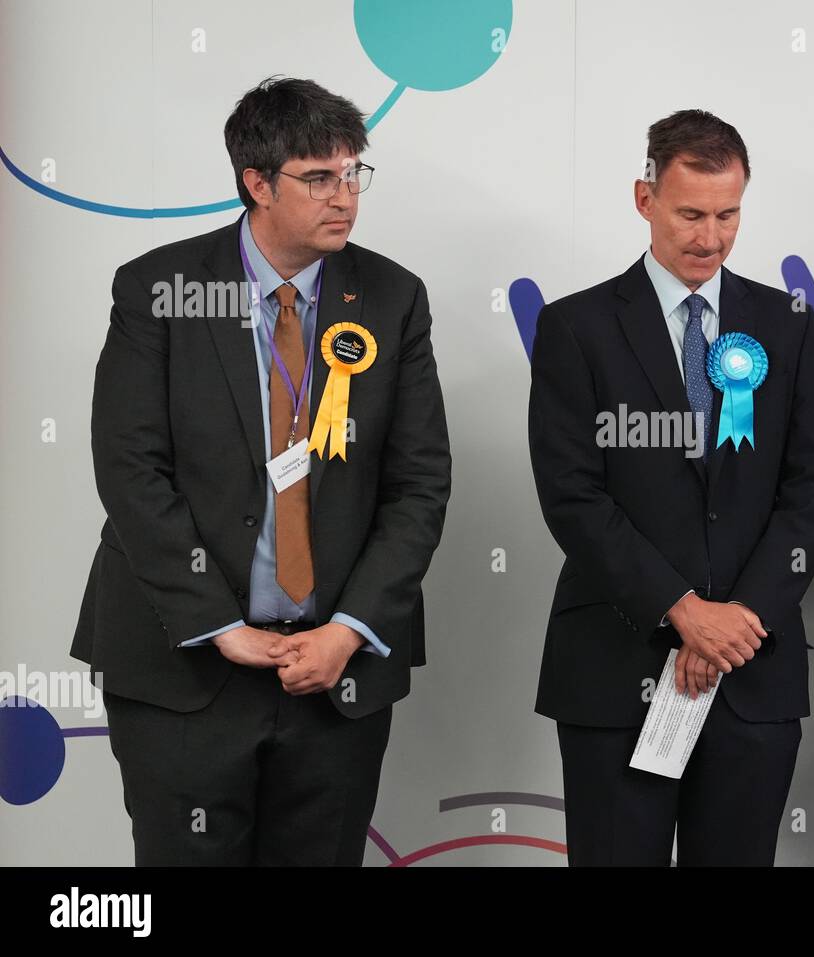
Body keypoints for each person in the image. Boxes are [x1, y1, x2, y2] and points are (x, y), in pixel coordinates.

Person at [72, 77, 452, 865]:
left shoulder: (392, 297)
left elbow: (419, 484)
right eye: (319, 178)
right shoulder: (157, 289)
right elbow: (130, 469)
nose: (344, 196)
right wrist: (222, 625)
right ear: (256, 183)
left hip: (334, 676)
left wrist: (347, 631)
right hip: (185, 668)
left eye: (354, 174)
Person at [528, 109, 814, 866]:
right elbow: (574, 496)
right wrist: (683, 611)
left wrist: (736, 620)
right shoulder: (577, 327)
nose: (710, 237)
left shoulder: (787, 323)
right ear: (645, 200)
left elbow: (813, 485)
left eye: (728, 214)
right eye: (691, 214)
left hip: (753, 669)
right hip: (615, 669)